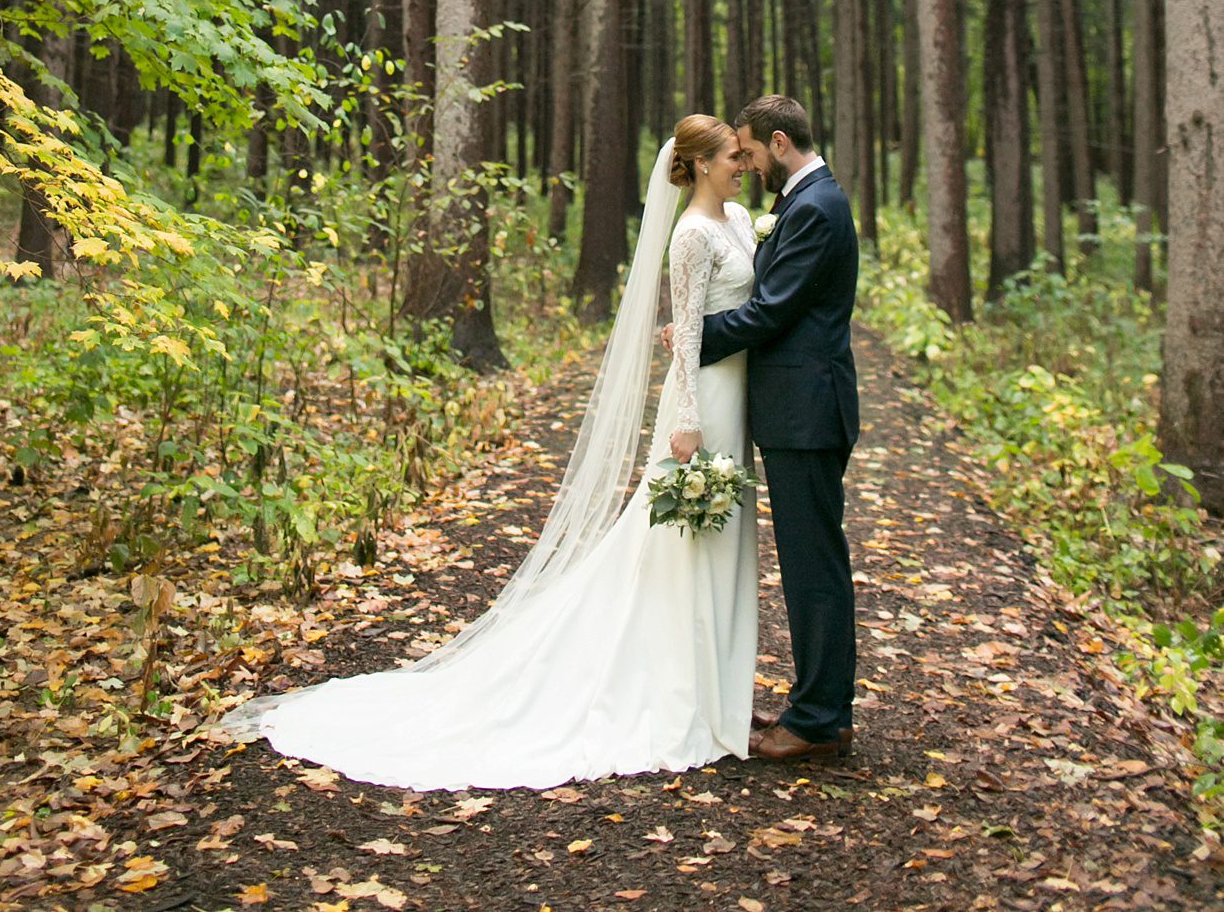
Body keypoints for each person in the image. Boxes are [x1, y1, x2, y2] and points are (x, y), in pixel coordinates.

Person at [214, 116, 760, 790]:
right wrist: (684, 419)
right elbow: (687, 337)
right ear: (702, 164)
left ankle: (720, 694)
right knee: (684, 546)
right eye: (734, 156)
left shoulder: (739, 217)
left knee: (723, 541)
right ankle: (682, 693)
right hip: (702, 405)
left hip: (739, 401)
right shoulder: (690, 234)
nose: (744, 163)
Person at [696, 93, 860, 762]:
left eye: (753, 149)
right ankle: (814, 705)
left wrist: (693, 339)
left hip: (808, 413)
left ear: (781, 144)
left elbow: (772, 311)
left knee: (813, 568)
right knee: (807, 565)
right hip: (799, 411)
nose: (749, 161)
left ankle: (820, 721)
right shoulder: (802, 201)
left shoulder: (816, 209)